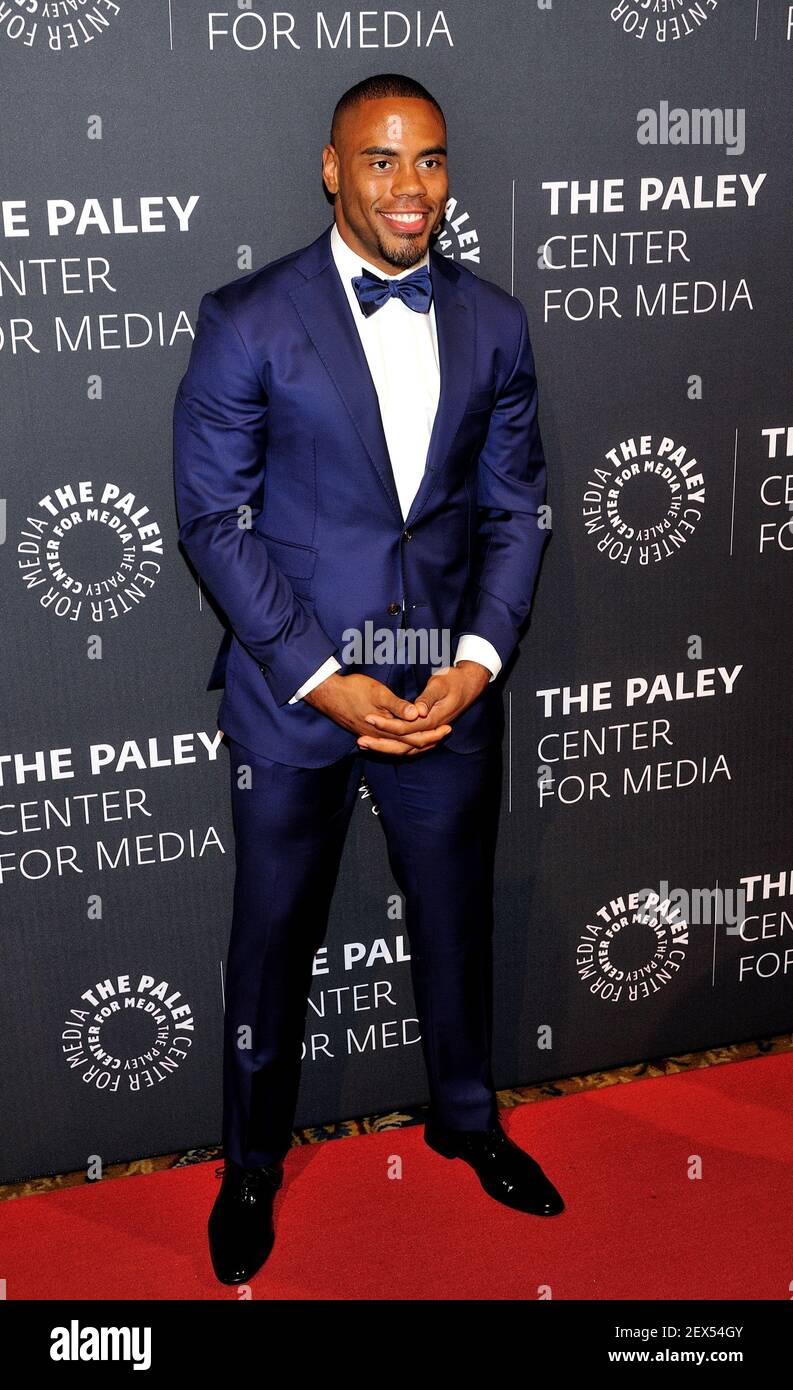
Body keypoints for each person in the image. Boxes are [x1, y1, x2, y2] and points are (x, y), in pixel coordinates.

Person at [172, 71, 562, 1286]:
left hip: (442, 688)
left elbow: (517, 509)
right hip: (298, 694)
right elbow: (211, 521)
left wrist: (478, 658)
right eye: (382, 160)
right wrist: (321, 676)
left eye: (431, 160)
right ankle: (250, 1167)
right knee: (271, 941)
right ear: (333, 168)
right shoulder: (249, 320)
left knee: (455, 923)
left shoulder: (495, 323)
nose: (411, 187)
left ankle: (465, 1118)